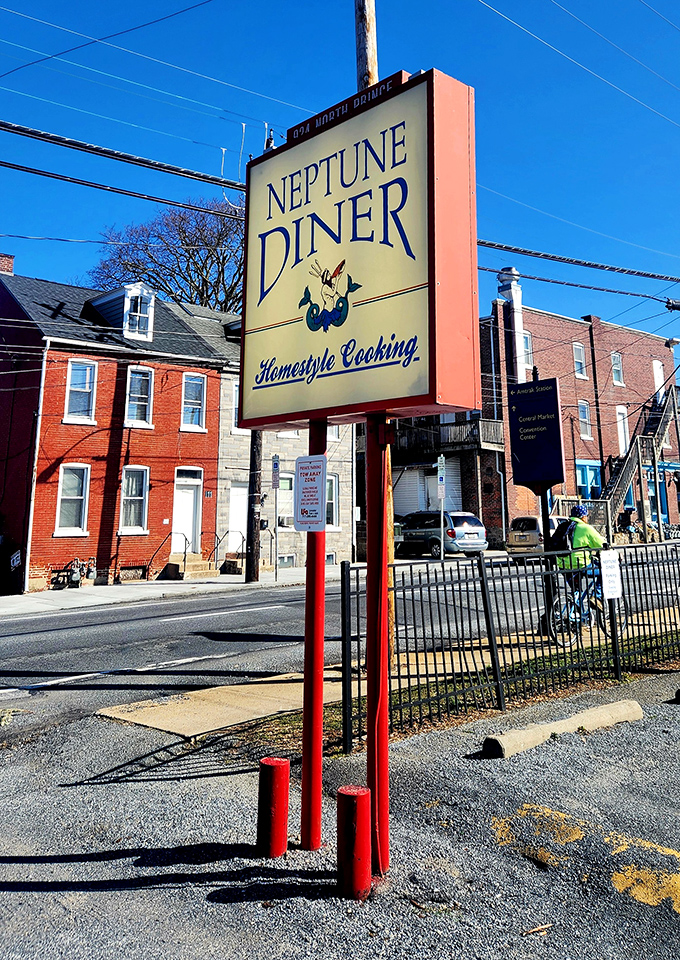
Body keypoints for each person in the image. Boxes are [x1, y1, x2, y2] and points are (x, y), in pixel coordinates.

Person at [556, 503, 606, 574]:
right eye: (586, 516)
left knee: (574, 584)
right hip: (581, 564)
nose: (587, 518)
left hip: (563, 564)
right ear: (583, 517)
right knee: (604, 572)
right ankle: (598, 586)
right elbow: (600, 543)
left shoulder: (563, 526)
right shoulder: (586, 528)